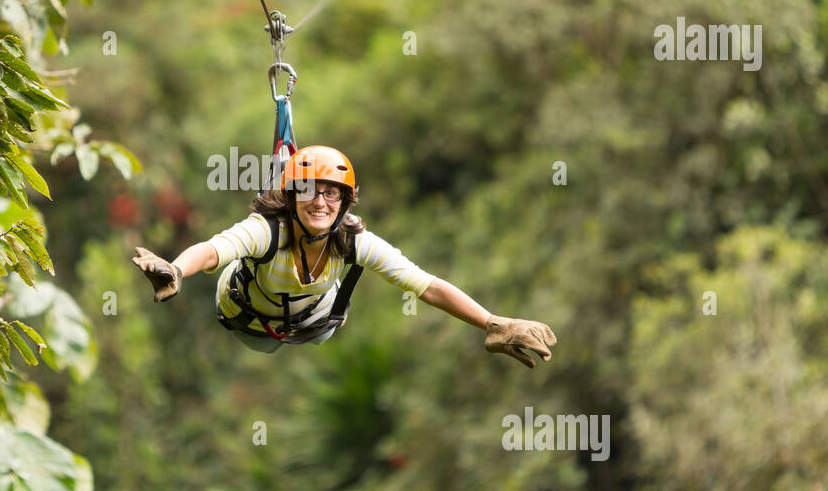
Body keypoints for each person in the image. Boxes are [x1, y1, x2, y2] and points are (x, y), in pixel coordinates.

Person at [132, 145, 557, 363]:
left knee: (323, 328)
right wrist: (176, 270)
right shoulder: (267, 232)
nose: (321, 203)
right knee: (263, 344)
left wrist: (492, 322)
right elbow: (214, 251)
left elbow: (425, 286)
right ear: (291, 197)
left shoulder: (354, 242)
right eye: (311, 192)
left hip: (316, 324)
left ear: (345, 201)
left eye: (332, 194)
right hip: (248, 324)